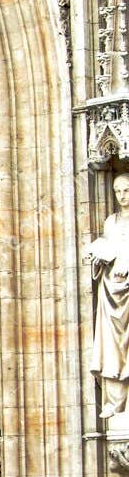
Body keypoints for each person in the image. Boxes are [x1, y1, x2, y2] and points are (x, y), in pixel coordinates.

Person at [87, 172, 129, 420]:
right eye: (118, 191)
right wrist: (97, 255)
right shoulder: (111, 222)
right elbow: (107, 247)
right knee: (111, 346)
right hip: (111, 291)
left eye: (127, 190)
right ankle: (116, 401)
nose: (122, 196)